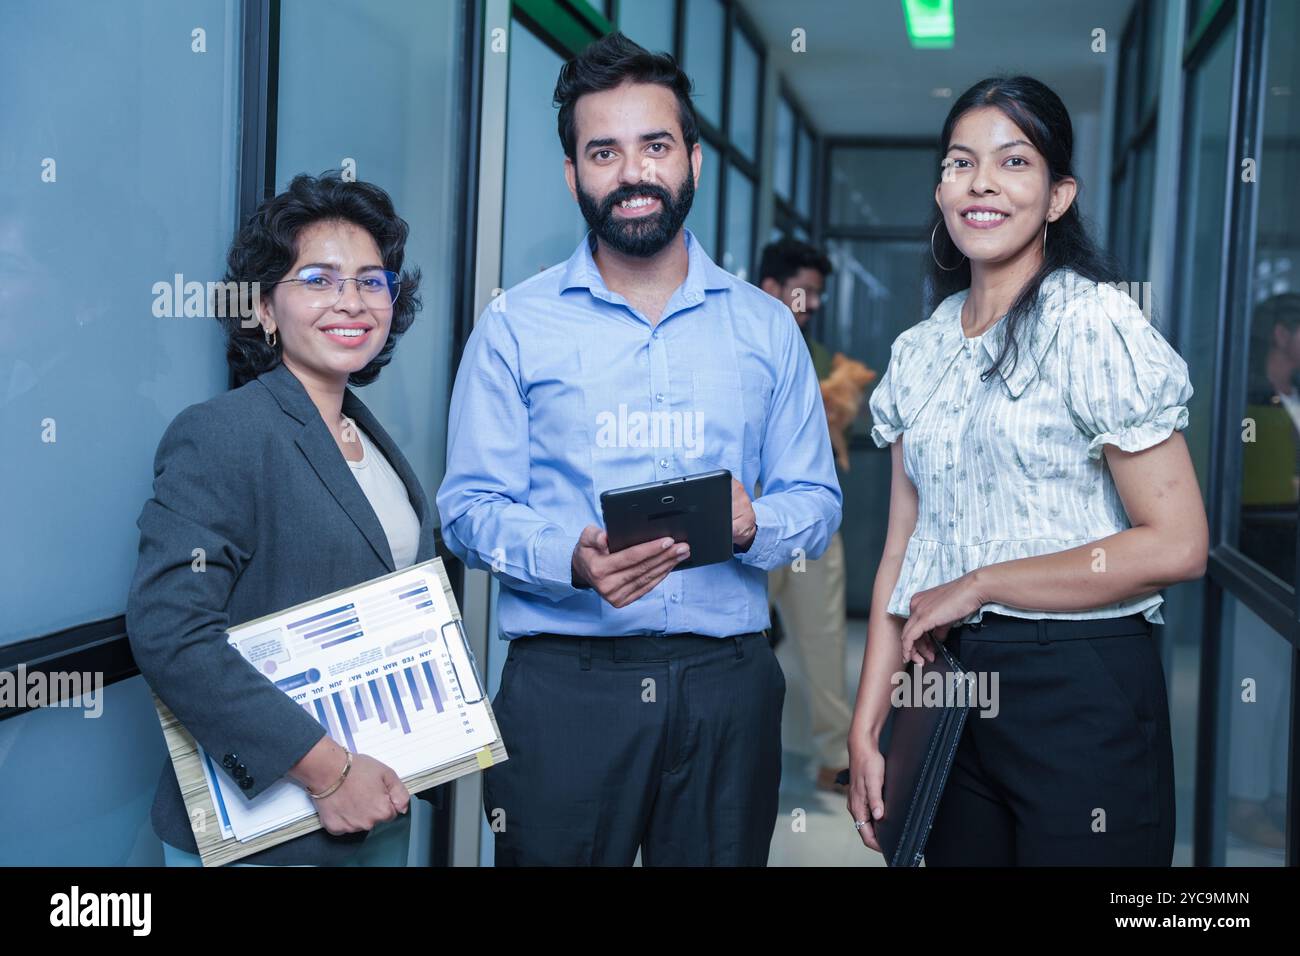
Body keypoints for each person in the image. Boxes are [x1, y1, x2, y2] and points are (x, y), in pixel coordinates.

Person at [436, 32, 842, 866]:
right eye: (603, 151)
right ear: (573, 173)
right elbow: (467, 510)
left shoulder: (764, 328)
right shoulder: (516, 325)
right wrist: (569, 558)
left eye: (655, 145)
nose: (632, 173)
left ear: (692, 158)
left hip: (729, 682)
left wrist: (750, 522)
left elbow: (818, 501)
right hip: (565, 690)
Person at [849, 76, 1208, 866]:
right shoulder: (921, 352)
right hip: (942, 678)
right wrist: (868, 717)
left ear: (1057, 196)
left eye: (1014, 162)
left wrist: (983, 582)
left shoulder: (1095, 324)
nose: (981, 184)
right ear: (942, 189)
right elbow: (901, 550)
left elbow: (1177, 545)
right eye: (960, 163)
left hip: (1078, 685)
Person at [127, 172, 432, 866]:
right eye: (318, 280)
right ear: (265, 309)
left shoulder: (368, 437)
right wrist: (331, 772)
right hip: (268, 826)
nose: (350, 300)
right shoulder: (223, 433)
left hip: (375, 808)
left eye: (370, 280)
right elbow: (171, 632)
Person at [759, 238, 869, 794]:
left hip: (809, 518)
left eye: (820, 294)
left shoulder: (823, 361)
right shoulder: (733, 339)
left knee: (824, 635)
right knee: (737, 633)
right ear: (772, 287)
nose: (815, 303)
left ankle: (834, 754)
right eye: (807, 291)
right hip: (744, 517)